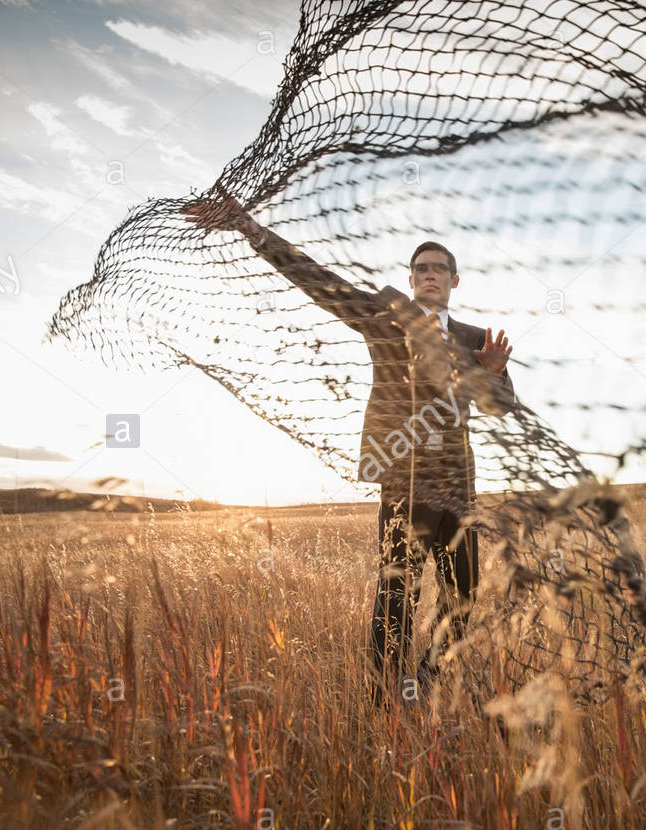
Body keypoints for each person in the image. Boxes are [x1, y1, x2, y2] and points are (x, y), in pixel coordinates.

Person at [184, 192, 516, 703]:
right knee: (396, 596)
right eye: (421, 268)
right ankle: (385, 700)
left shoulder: (476, 337)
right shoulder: (386, 317)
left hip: (458, 485)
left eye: (440, 269)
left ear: (455, 280)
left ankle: (426, 681)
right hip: (404, 480)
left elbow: (501, 406)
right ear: (410, 280)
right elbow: (317, 281)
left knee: (465, 597)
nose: (430, 275)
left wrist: (489, 374)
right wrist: (249, 229)